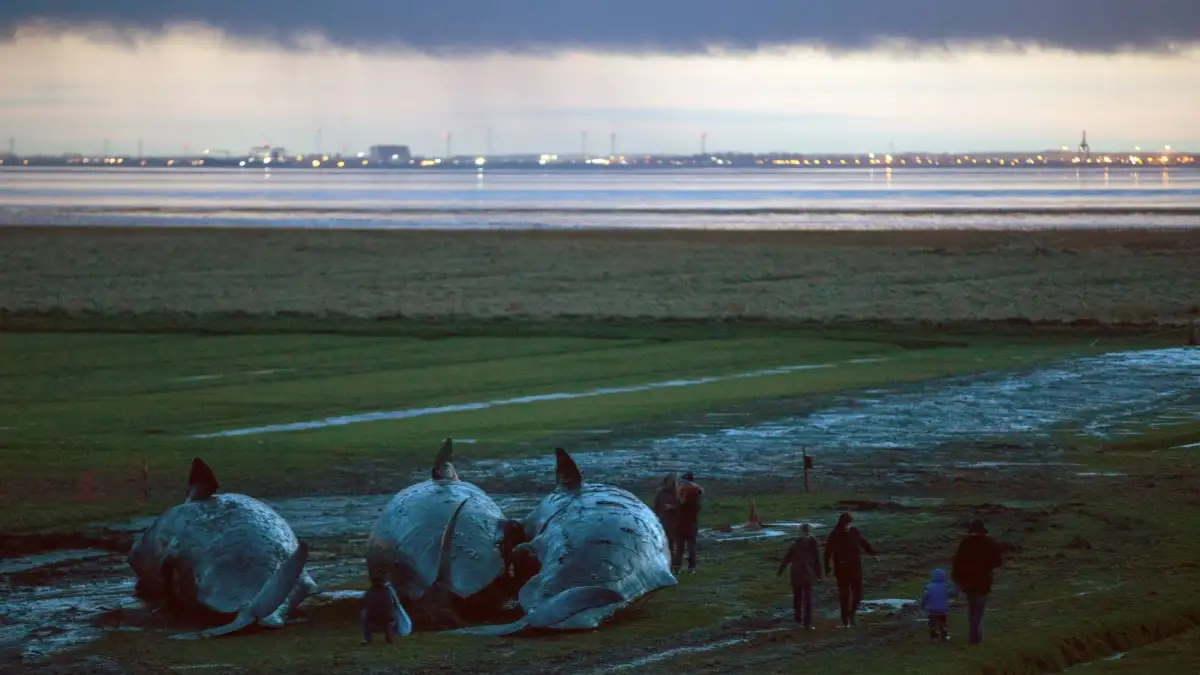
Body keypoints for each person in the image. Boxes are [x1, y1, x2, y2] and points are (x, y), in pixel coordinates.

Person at [951, 518, 1003, 646]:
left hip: (968, 581)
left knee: (972, 608)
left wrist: (957, 579)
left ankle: (974, 636)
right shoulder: (989, 542)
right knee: (979, 609)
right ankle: (976, 637)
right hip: (983, 581)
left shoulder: (965, 543)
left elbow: (957, 562)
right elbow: (998, 561)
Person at [823, 511, 878, 627]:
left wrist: (873, 553)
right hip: (841, 569)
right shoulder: (834, 535)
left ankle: (852, 613)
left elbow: (863, 543)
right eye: (845, 524)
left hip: (855, 567)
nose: (847, 527)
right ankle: (845, 618)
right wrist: (827, 568)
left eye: (849, 524)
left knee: (858, 594)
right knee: (844, 595)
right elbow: (827, 553)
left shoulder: (854, 531)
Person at [777, 523, 823, 629]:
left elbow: (786, 559)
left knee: (801, 598)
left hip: (800, 574)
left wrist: (781, 571)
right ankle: (805, 622)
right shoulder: (811, 544)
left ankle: (801, 620)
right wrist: (819, 575)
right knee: (804, 599)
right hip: (804, 574)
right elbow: (817, 561)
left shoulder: (797, 544)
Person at [361, 575, 411, 644]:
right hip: (387, 617)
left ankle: (368, 639)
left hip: (372, 617)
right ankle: (389, 637)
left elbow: (364, 603)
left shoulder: (369, 591)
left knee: (365, 617)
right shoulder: (388, 590)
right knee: (388, 619)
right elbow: (397, 603)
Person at [653, 473, 683, 575]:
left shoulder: (677, 494)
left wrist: (673, 508)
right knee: (664, 545)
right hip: (663, 522)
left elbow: (682, 508)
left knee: (672, 545)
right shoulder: (661, 493)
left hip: (673, 523)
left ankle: (674, 566)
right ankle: (667, 566)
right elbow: (656, 507)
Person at [920, 568, 958, 643]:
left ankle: (933, 638)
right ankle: (944, 636)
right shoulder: (945, 587)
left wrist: (922, 605)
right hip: (943, 610)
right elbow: (952, 594)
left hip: (931, 609)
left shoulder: (928, 587)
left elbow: (925, 598)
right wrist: (957, 587)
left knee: (932, 623)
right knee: (943, 623)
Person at [677, 472, 704, 574]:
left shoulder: (683, 492)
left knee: (680, 546)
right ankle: (692, 567)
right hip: (692, 523)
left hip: (682, 523)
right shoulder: (697, 494)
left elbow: (680, 505)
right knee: (691, 546)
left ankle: (677, 567)